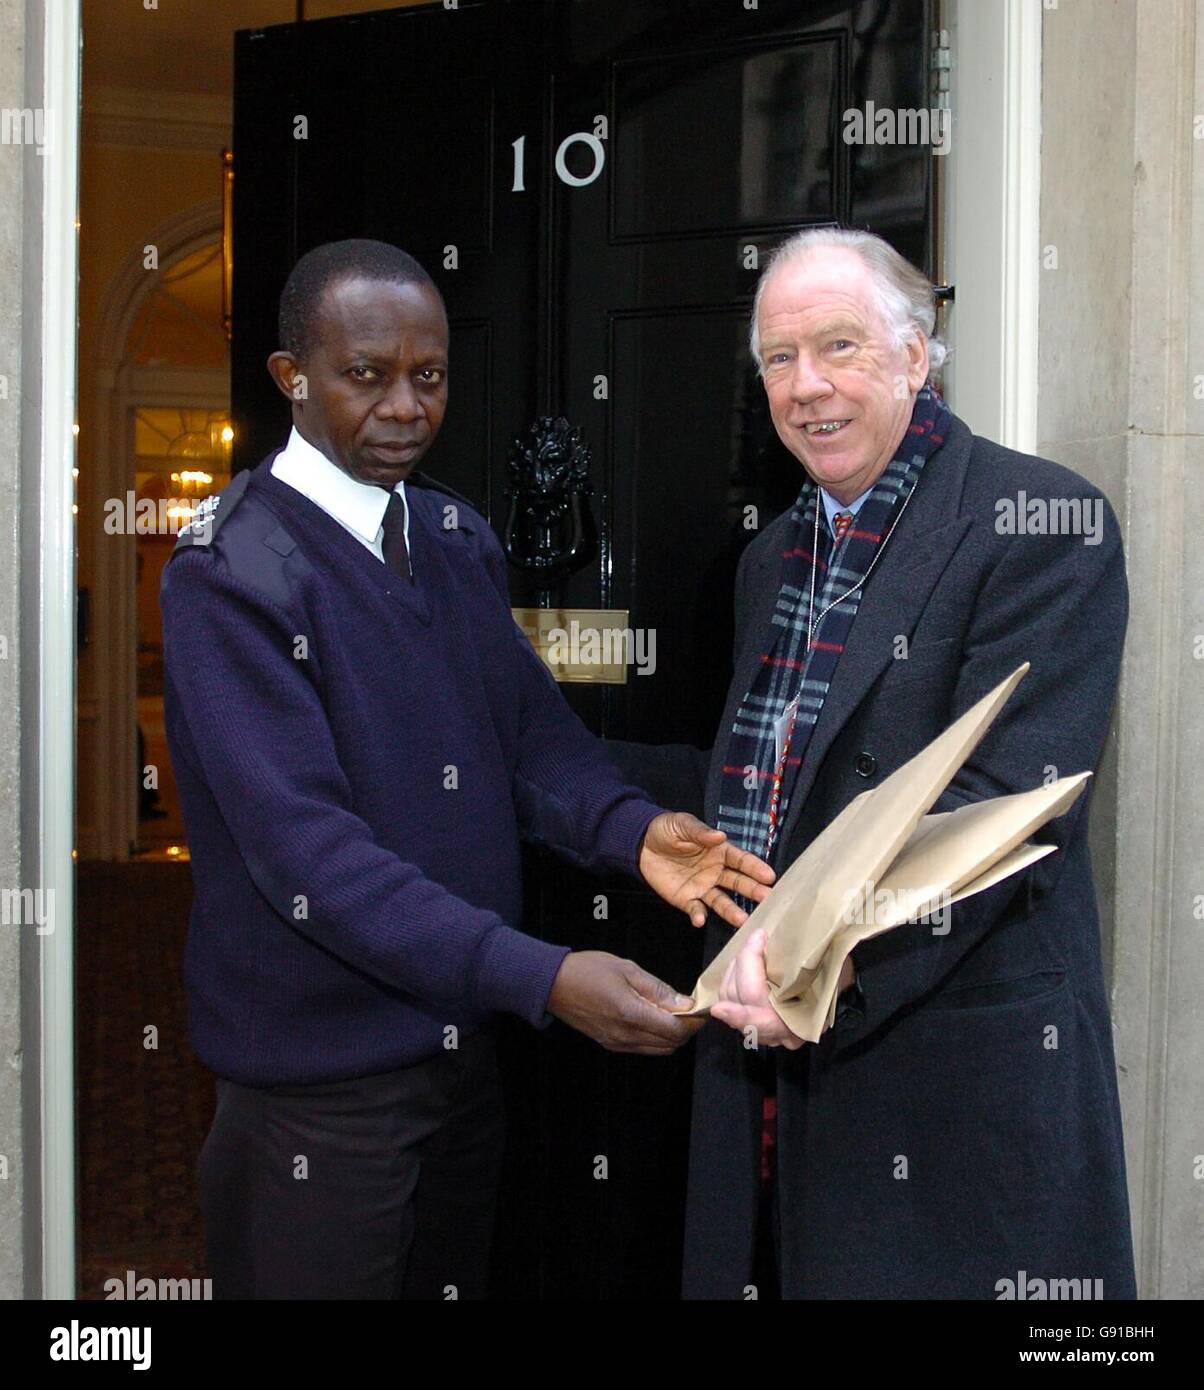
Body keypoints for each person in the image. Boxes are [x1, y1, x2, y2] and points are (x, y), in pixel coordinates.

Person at [159, 238, 767, 1300]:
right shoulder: (230, 571)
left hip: (459, 1055)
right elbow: (313, 857)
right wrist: (542, 976)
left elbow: (526, 740)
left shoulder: (453, 536)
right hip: (317, 1096)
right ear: (289, 378)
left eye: (428, 376)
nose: (406, 405)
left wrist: (629, 828)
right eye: (366, 374)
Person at [608, 227, 1137, 1300]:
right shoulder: (768, 558)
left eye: (839, 346)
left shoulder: (1041, 523)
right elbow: (774, 780)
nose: (807, 387)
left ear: (916, 352)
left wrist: (819, 966)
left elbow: (1006, 810)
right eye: (777, 359)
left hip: (955, 1083)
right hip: (769, 1069)